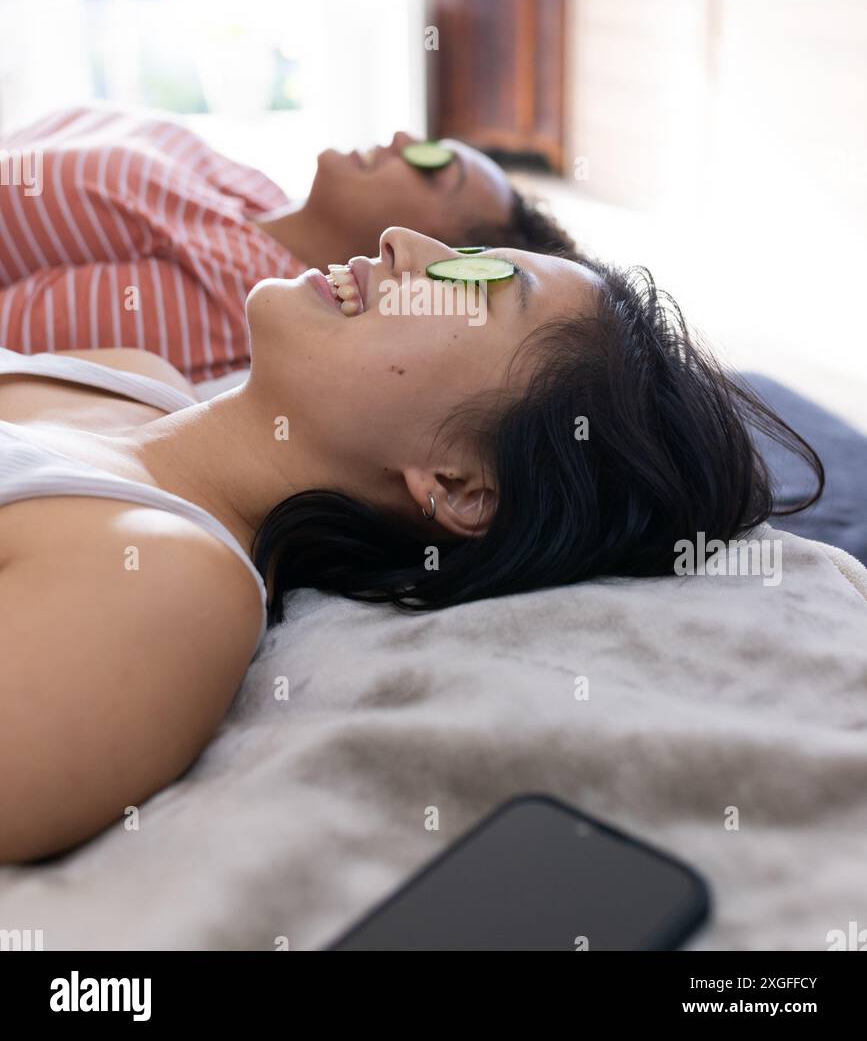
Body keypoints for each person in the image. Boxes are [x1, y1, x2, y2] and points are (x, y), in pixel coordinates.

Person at [0, 227, 821, 862]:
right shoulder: (122, 374)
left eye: (482, 283)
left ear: (460, 486)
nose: (402, 242)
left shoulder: (170, 584)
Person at [0, 107, 576, 382]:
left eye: (435, 167)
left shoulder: (240, 303)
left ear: (432, 252)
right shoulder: (256, 193)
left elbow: (17, 336)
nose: (403, 137)